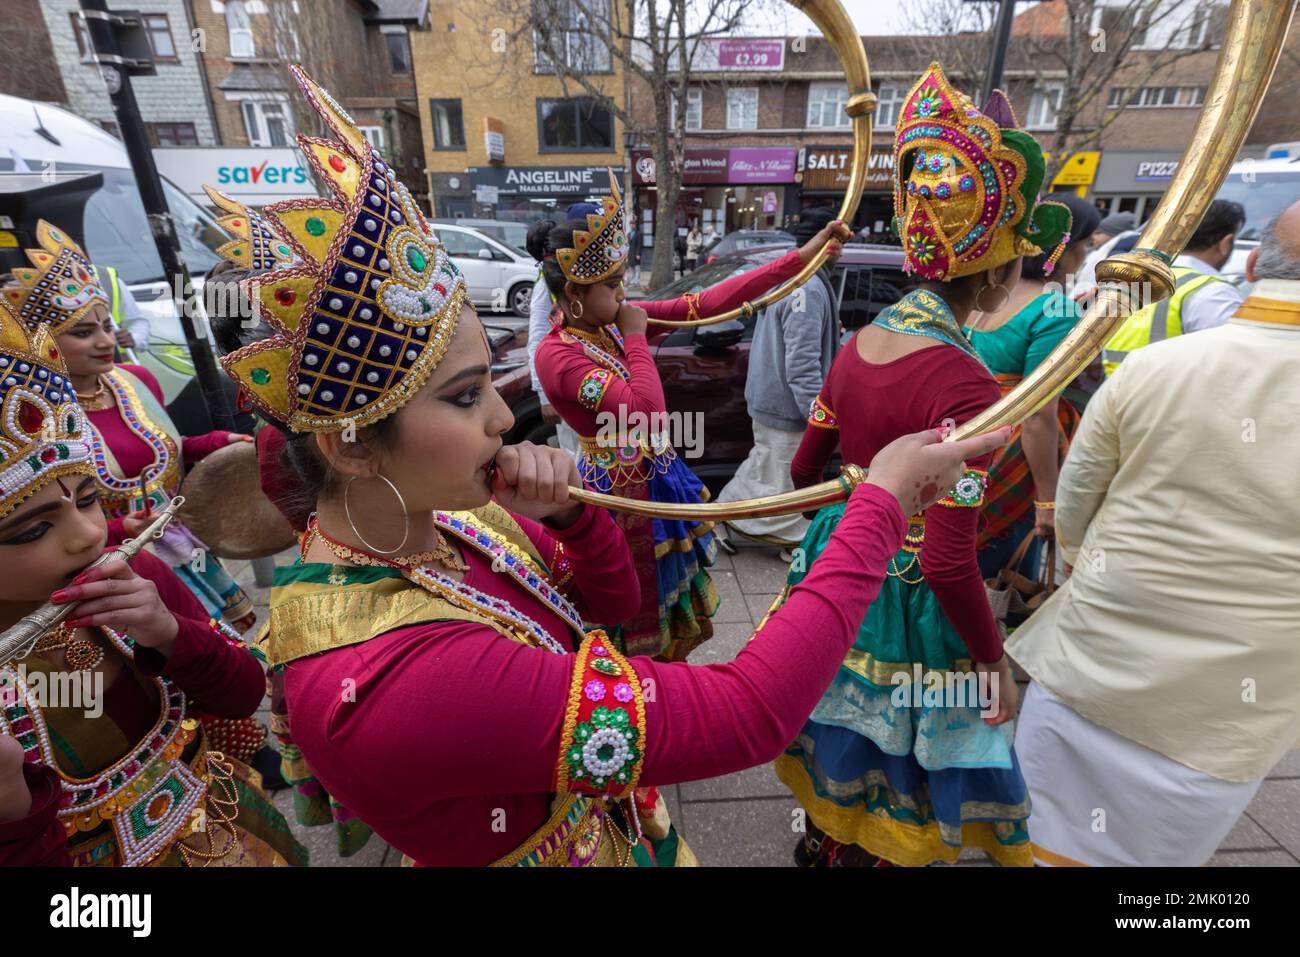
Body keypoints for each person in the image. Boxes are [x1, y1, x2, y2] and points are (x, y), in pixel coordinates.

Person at [211, 64, 1009, 868]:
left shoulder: (448, 519)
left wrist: (569, 515)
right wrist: (883, 503)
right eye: (461, 398)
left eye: (488, 381)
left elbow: (610, 604)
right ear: (349, 443)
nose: (499, 415)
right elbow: (749, 713)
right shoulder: (395, 682)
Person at [776, 66, 1075, 868]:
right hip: (910, 590)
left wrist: (847, 525)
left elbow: (809, 469)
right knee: (903, 753)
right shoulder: (969, 384)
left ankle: (821, 843)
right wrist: (990, 662)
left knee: (840, 728)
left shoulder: (855, 346)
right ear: (997, 265)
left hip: (836, 562)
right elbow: (946, 555)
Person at [1009, 201, 1300, 867]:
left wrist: (1087, 564)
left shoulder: (1154, 367)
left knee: (1040, 831)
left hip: (1099, 656)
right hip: (1234, 698)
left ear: (1254, 262)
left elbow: (1077, 501)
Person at [0, 313, 305, 867]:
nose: (90, 534)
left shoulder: (134, 583)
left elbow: (241, 694)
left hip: (229, 833)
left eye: (89, 498)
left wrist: (169, 633)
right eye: (34, 530)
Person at [531, 176, 847, 660]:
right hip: (616, 495)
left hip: (652, 476)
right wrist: (636, 336)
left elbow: (708, 302)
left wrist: (803, 258)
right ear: (575, 291)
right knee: (632, 603)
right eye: (613, 286)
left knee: (664, 598)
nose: (622, 295)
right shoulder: (558, 356)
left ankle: (661, 675)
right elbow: (647, 415)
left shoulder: (604, 320)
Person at [1, 222, 257, 633]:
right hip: (112, 563)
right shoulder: (37, 420)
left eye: (106, 326)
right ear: (45, 342)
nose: (105, 341)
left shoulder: (135, 379)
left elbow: (169, 444)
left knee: (219, 647)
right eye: (84, 333)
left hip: (179, 541)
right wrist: (121, 529)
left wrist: (219, 442)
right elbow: (39, 514)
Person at [966, 193, 1101, 578]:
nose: (1087, 256)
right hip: (1013, 461)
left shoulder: (982, 296)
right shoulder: (1056, 309)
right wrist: (1047, 500)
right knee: (1005, 574)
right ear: (1065, 248)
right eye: (1085, 245)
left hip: (965, 443)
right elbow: (1038, 414)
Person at [717, 206, 843, 550]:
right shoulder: (810, 290)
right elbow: (802, 365)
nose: (842, 252)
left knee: (764, 469)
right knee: (783, 479)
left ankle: (725, 517)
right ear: (827, 244)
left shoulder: (795, 281)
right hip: (787, 407)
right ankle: (789, 539)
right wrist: (817, 417)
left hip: (771, 399)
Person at [1101, 198, 1246, 374]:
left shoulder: (1133, 280)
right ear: (1226, 243)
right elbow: (1232, 369)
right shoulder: (1214, 293)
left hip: (1112, 392)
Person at [527, 203, 602, 461]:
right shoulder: (550, 283)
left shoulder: (595, 275)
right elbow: (536, 338)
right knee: (577, 456)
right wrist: (542, 395)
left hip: (596, 383)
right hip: (570, 382)